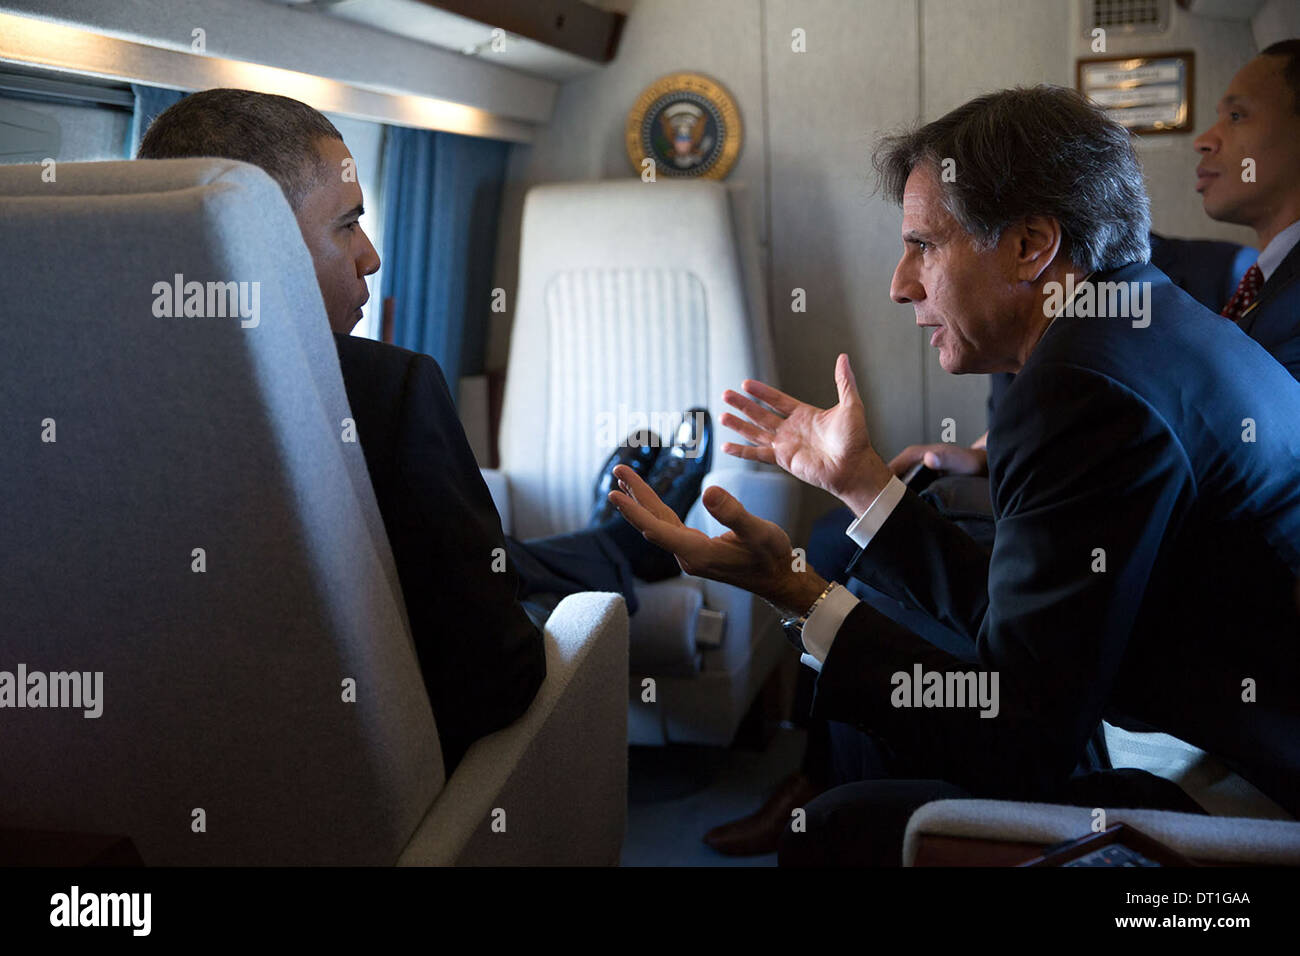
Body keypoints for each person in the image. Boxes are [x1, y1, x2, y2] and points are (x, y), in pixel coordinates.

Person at [614, 85, 1300, 866]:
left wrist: (796, 591)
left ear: (1029, 245)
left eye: (923, 246)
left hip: (1248, 794)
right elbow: (1024, 620)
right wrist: (860, 481)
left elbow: (1018, 737)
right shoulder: (1142, 318)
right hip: (1206, 725)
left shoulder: (1085, 384)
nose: (900, 284)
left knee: (839, 832)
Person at [137, 89, 711, 774]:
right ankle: (624, 546)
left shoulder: (69, 392)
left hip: (164, 782)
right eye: (348, 225)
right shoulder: (386, 391)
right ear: (257, 243)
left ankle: (616, 543)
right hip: (393, 782)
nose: (372, 256)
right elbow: (496, 681)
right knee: (496, 567)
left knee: (494, 554)